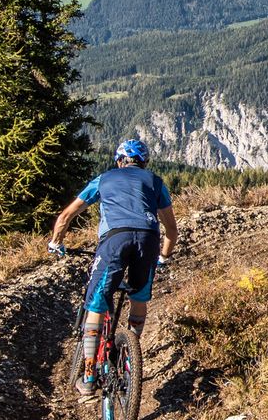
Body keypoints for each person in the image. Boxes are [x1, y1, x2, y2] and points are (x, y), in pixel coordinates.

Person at [48, 137, 178, 401]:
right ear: (144, 163)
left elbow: (65, 216)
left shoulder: (104, 179)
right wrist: (163, 257)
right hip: (148, 240)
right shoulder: (155, 182)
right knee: (139, 297)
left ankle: (88, 377)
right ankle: (131, 354)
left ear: (119, 161)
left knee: (96, 303)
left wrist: (56, 243)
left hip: (114, 240)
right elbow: (172, 231)